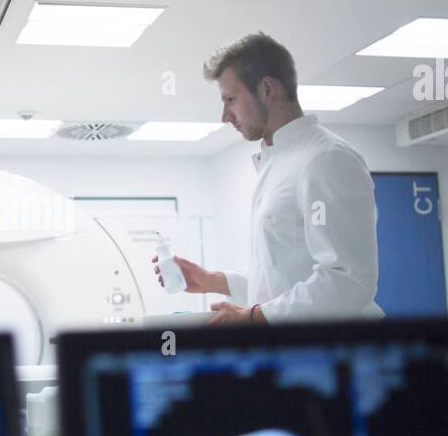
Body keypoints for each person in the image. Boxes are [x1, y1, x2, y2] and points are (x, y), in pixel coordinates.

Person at [155, 32, 383, 324]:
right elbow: (282, 280)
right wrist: (214, 281)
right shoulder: (277, 161)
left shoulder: (326, 159)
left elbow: (347, 282)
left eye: (231, 99)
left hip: (332, 356)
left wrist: (254, 318)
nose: (225, 115)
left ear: (266, 89)